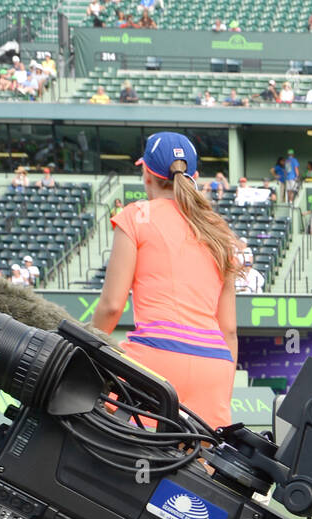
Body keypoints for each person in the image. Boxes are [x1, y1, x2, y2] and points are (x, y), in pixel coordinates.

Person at [91, 132, 237, 431]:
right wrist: (221, 384)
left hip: (154, 358)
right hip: (216, 366)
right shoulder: (217, 230)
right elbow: (230, 331)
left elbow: (111, 306)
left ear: (146, 174)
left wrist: (85, 348)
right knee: (202, 473)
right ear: (194, 176)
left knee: (120, 456)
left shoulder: (135, 215)